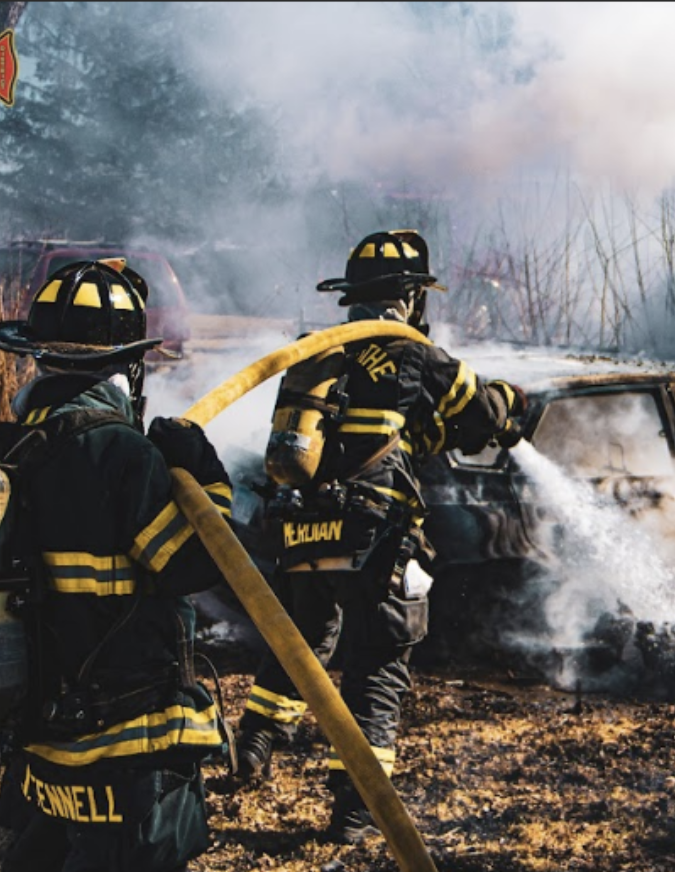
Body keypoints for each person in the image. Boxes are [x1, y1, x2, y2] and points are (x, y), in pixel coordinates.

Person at [231, 229, 527, 844]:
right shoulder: (412, 350)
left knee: (302, 642)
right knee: (377, 665)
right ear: (411, 297)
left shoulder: (315, 350)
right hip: (375, 533)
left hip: (302, 527)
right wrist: (507, 398)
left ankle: (255, 743)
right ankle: (357, 810)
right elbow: (480, 415)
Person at [0, 259, 235, 872]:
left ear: (39, 359)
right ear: (128, 363)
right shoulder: (123, 453)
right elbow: (193, 566)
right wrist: (206, 477)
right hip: (126, 743)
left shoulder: (2, 449)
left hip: (41, 728)